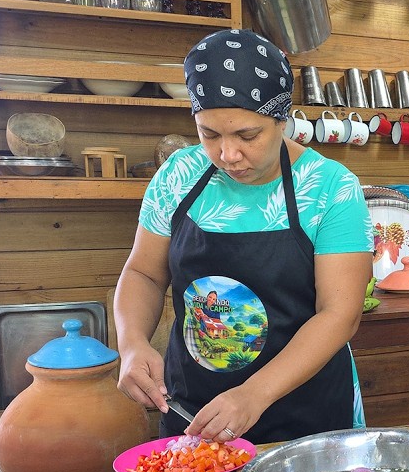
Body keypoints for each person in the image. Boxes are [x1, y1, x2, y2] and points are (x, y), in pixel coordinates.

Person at [115, 29, 373, 444]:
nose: (228, 155)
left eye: (248, 136)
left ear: (282, 120)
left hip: (305, 416)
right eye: (209, 134)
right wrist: (131, 343)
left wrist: (255, 394)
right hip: (194, 410)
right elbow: (143, 273)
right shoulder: (178, 175)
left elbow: (339, 314)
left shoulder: (330, 187)